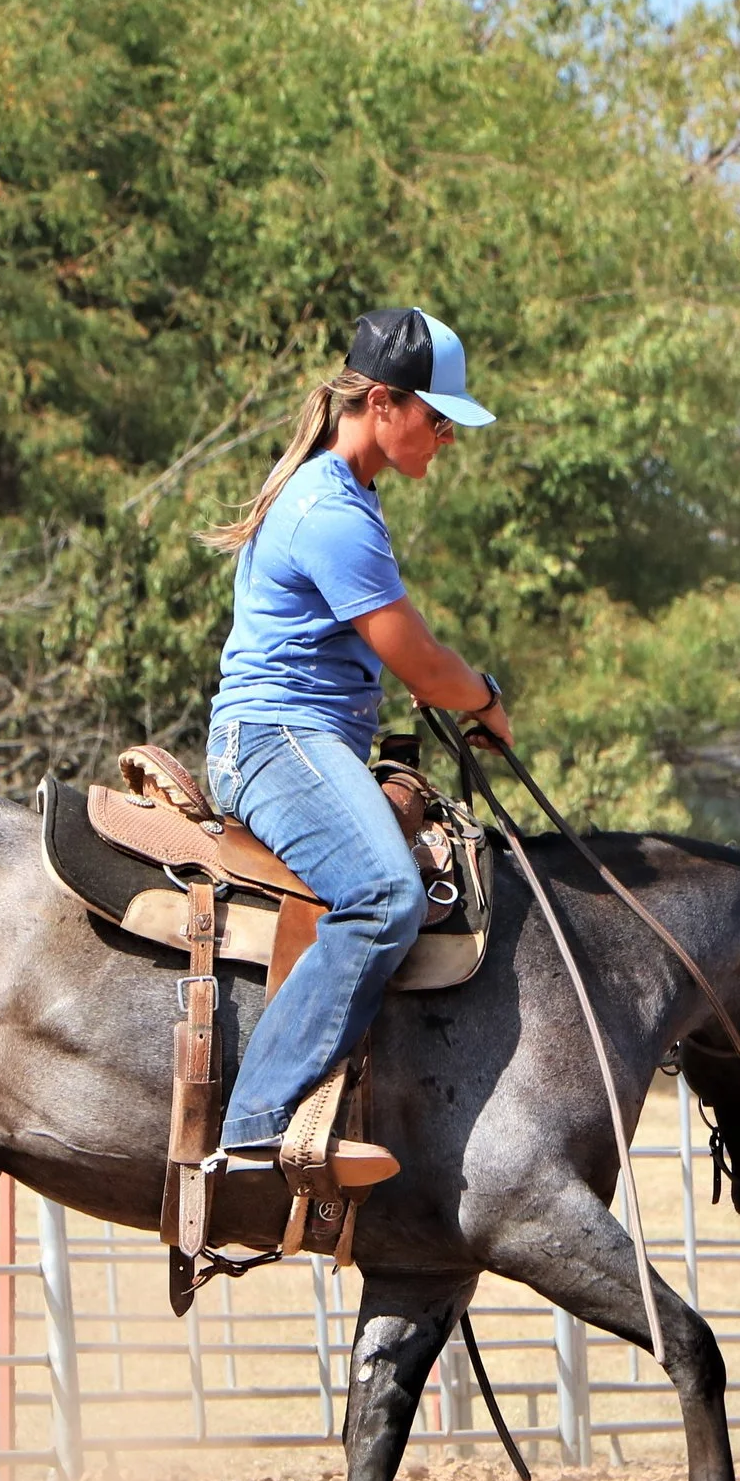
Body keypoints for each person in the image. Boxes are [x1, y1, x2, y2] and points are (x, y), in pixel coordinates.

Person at [199, 307, 514, 1175]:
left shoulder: (346, 495)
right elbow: (420, 664)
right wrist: (483, 696)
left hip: (310, 737)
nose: (447, 437)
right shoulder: (329, 510)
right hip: (275, 740)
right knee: (384, 895)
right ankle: (256, 1124)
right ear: (382, 401)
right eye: (438, 417)